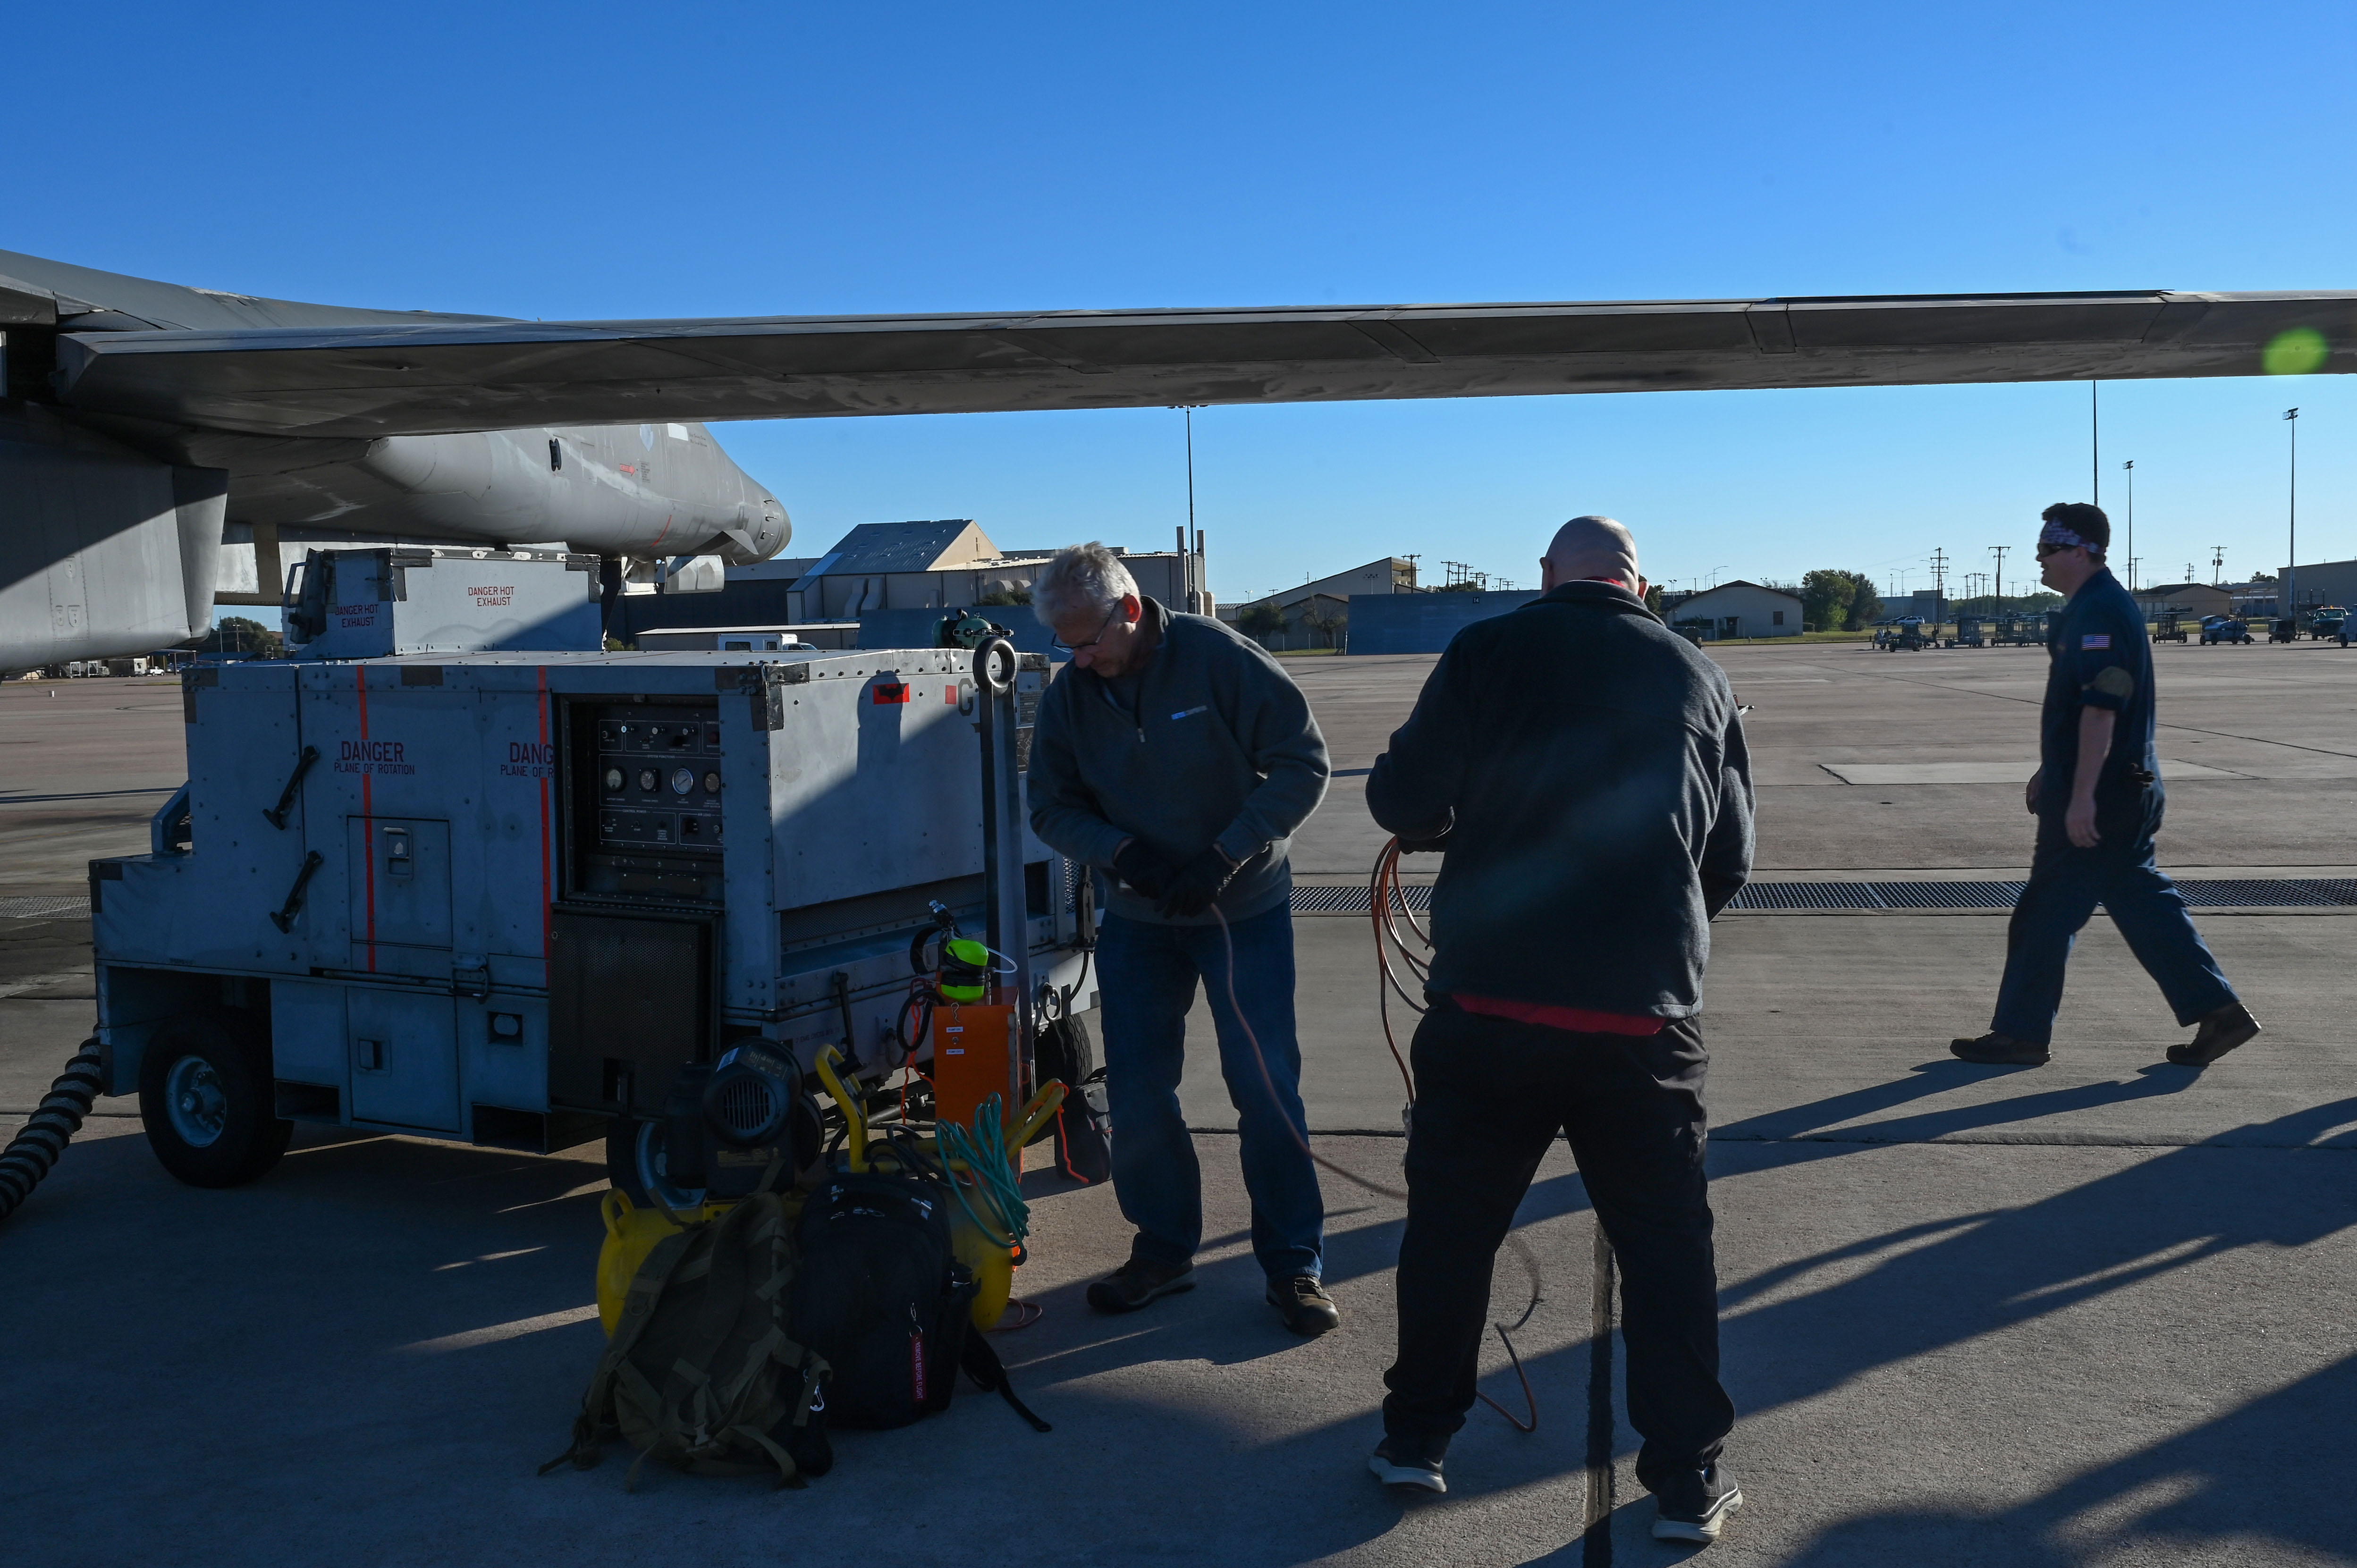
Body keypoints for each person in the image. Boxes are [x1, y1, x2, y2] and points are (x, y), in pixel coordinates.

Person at [1364, 515, 1755, 1544]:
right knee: (1668, 1251)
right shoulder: (1698, 675)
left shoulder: (1486, 650)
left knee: (1451, 1233)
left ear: (1547, 576)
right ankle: (1684, 1476)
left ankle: (1417, 1436)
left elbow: (1404, 797)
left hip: (1491, 1007)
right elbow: (1730, 858)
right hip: (1640, 1019)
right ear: (1641, 583)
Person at [1023, 543, 1339, 1334]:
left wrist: (1226, 851)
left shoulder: (1219, 660)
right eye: (1066, 646)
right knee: (1136, 1092)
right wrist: (1121, 852)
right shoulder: (1072, 697)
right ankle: (1162, 1249)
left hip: (1243, 910)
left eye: (1088, 641)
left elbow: (1303, 765)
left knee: (1264, 1087)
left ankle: (1293, 1263)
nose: (1079, 659)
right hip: (1139, 920)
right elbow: (1048, 807)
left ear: (1129, 610)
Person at [1952, 503, 2260, 1068]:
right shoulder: (2088, 609)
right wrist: (2053, 769)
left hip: (2107, 792)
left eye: (2048, 549)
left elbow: (2102, 710)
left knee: (2045, 909)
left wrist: (2081, 795)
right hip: (2122, 784)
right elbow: (2080, 712)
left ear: (2080, 551)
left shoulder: (2098, 613)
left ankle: (2021, 1033)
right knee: (2141, 902)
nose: (2039, 559)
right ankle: (2221, 1013)